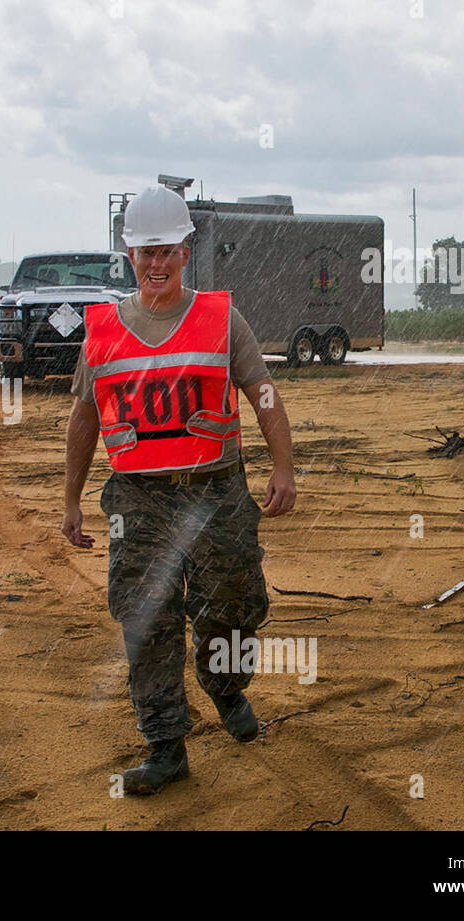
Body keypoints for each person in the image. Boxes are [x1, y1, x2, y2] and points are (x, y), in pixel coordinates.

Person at [62, 184, 297, 795]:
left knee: (237, 610)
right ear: (129, 257)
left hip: (217, 492)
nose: (157, 263)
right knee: (147, 620)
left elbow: (263, 394)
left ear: (187, 251)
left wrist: (284, 466)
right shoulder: (104, 330)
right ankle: (165, 746)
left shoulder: (222, 320)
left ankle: (224, 685)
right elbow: (84, 418)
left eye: (167, 249)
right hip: (137, 499)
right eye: (146, 252)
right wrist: (70, 500)